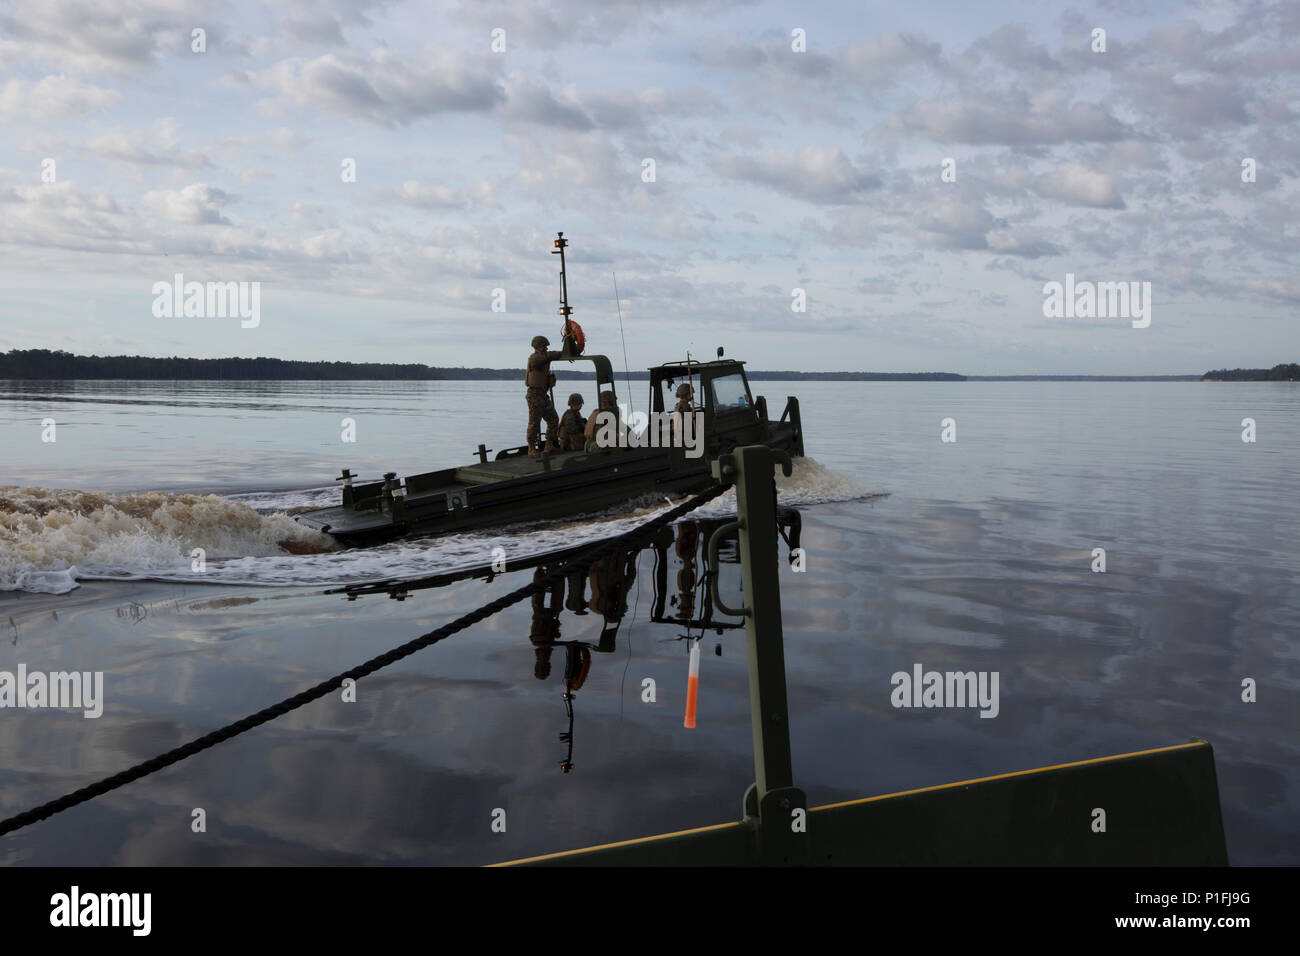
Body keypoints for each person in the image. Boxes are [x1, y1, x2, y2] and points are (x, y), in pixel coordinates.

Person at [525, 335, 562, 457]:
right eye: (543, 346)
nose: (546, 348)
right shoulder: (534, 358)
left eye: (546, 346)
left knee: (553, 419)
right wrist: (562, 353)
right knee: (534, 422)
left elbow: (548, 357)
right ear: (537, 347)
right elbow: (548, 356)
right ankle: (531, 448)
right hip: (534, 396)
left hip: (542, 395)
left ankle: (549, 444)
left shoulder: (543, 358)